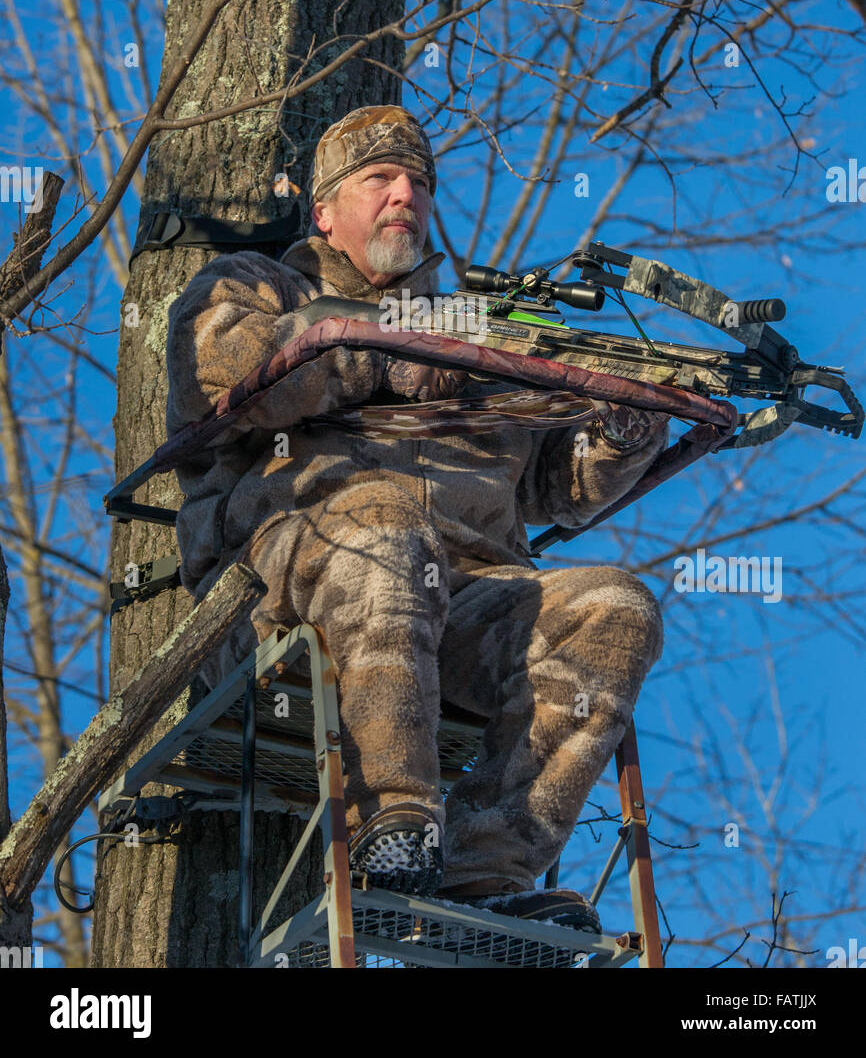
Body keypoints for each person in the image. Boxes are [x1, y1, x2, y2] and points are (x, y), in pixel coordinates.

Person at [165, 104, 668, 933]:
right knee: (388, 519)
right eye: (381, 180)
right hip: (283, 592)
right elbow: (221, 370)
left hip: (458, 605)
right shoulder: (253, 287)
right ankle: (390, 824)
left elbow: (557, 488)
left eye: (421, 183)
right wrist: (383, 350)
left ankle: (483, 866)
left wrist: (623, 434)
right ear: (325, 211)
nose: (406, 195)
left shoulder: (480, 339)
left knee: (616, 607)